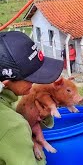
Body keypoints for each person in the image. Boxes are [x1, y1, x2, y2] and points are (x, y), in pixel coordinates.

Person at [0, 31, 63, 165]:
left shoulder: (8, 102)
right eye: (30, 78)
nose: (34, 83)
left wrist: (39, 117)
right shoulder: (12, 125)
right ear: (5, 82)